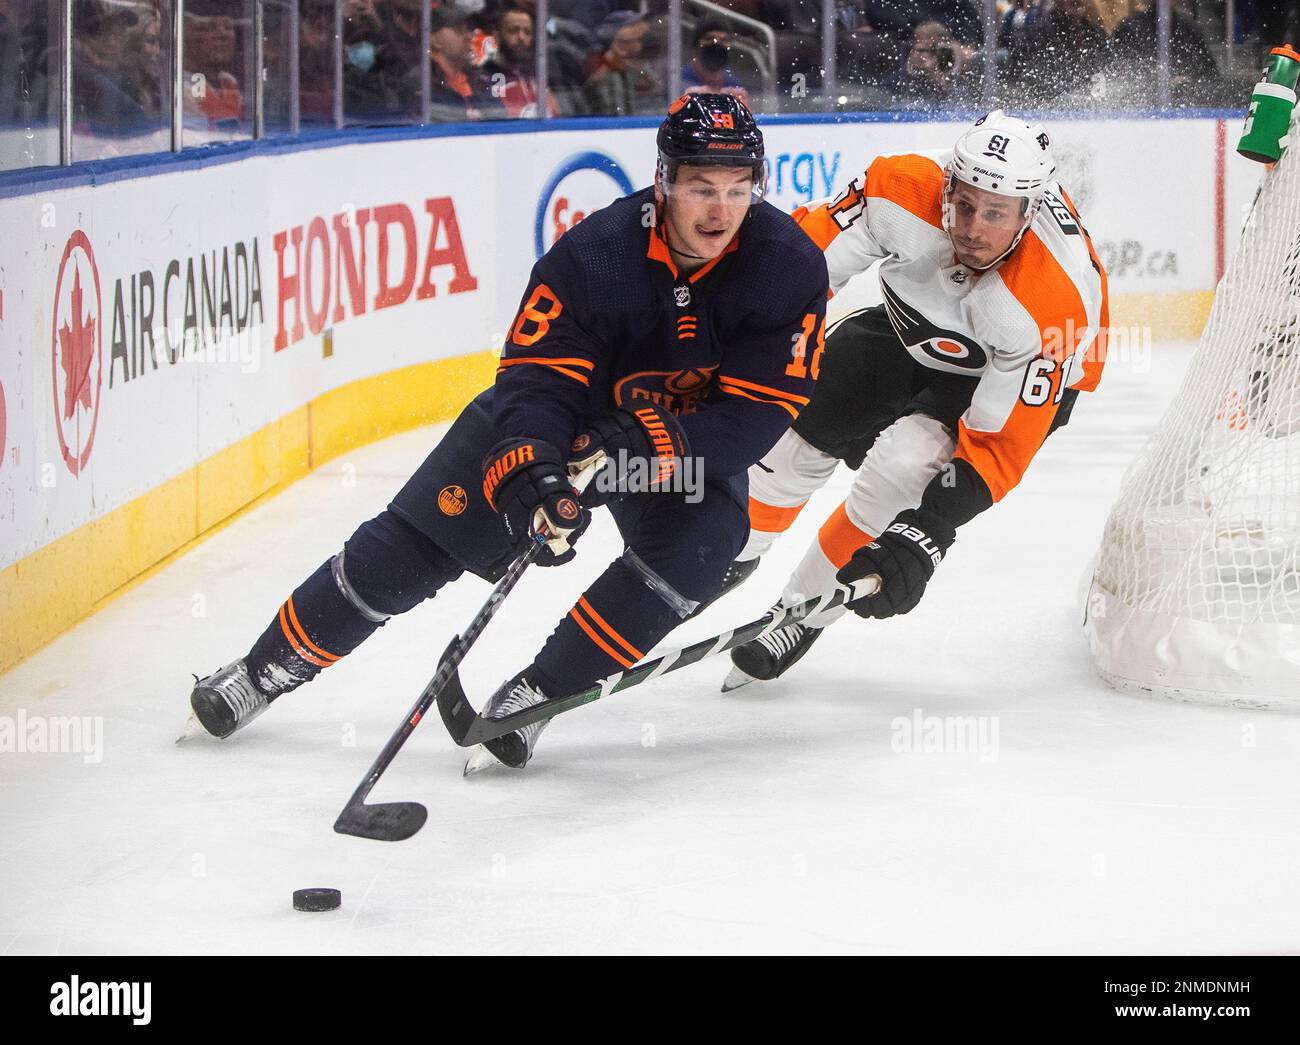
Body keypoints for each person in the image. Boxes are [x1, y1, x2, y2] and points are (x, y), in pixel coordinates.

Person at [189, 94, 830, 771]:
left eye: (738, 190)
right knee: (410, 548)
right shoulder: (597, 254)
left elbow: (754, 415)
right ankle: (264, 669)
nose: (721, 211)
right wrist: (533, 474)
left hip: (670, 448)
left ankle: (538, 694)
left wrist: (647, 446)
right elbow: (537, 381)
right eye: (702, 188)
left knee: (701, 545)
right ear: (665, 180)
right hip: (566, 427)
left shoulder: (786, 265)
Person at [721, 111, 1109, 686]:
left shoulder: (1049, 305)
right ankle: (722, 552)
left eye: (996, 214)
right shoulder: (899, 190)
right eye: (965, 203)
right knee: (789, 448)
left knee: (903, 466)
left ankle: (802, 610)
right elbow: (797, 270)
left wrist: (929, 530)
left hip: (1006, 370)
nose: (973, 228)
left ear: (1028, 214)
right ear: (948, 184)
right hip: (913, 329)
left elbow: (998, 450)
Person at [479, 5, 555, 117]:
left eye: (527, 32)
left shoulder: (539, 77)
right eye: (513, 31)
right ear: (497, 36)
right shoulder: (485, 79)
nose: (521, 37)